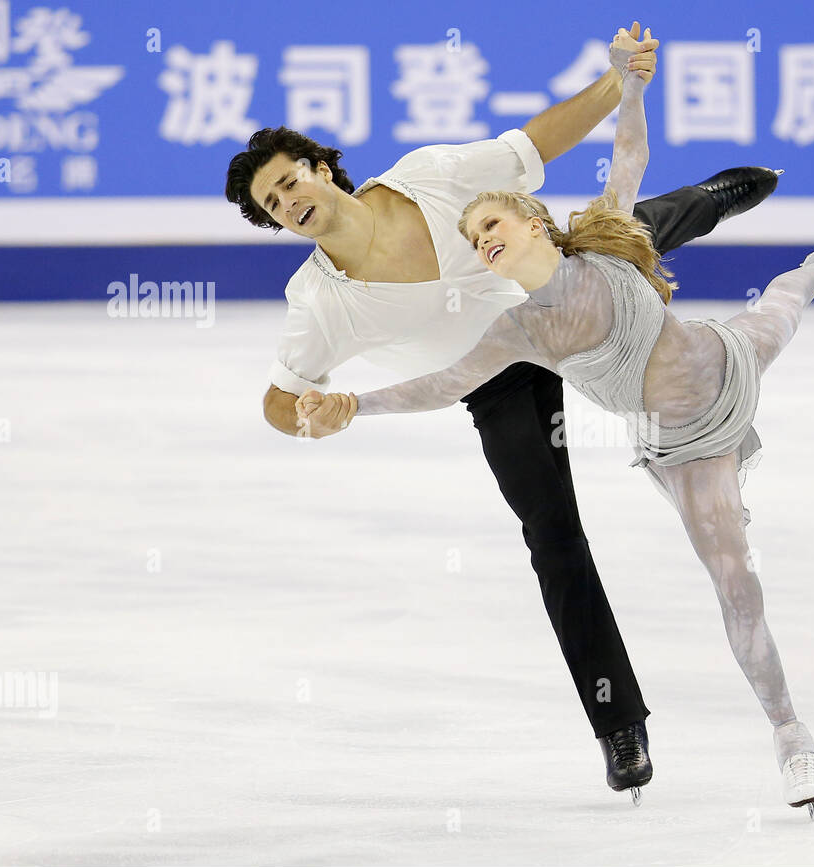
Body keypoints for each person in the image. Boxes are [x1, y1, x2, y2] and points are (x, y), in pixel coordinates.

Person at [298, 30, 814, 812]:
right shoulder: (519, 334)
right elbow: (441, 384)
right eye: (475, 237)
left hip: (729, 361)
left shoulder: (605, 243)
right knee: (736, 583)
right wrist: (354, 405)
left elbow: (629, 150)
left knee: (793, 293)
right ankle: (792, 736)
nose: (484, 240)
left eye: (494, 226)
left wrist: (631, 84)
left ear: (530, 221)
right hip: (689, 449)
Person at [224, 23, 783, 799]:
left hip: (549, 291)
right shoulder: (316, 304)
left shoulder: (428, 175)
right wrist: (312, 417)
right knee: (551, 532)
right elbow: (279, 402)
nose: (289, 202)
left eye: (291, 181)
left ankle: (705, 200)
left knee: (623, 236)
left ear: (321, 169)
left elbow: (536, 143)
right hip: (496, 376)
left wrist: (618, 81)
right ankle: (619, 723)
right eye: (272, 204)